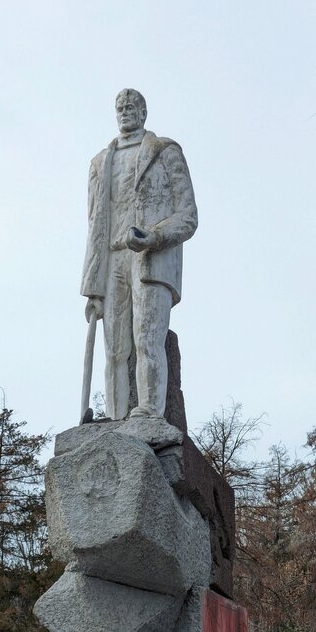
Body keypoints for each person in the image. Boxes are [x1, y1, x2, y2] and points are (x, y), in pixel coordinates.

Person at [81, 89, 198, 420]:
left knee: (148, 339)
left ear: (144, 112)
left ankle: (149, 411)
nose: (125, 111)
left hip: (150, 257)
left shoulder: (164, 151)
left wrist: (154, 236)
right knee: (115, 350)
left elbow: (188, 215)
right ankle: (116, 418)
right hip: (113, 260)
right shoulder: (100, 163)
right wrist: (93, 287)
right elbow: (95, 226)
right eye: (119, 107)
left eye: (132, 106)